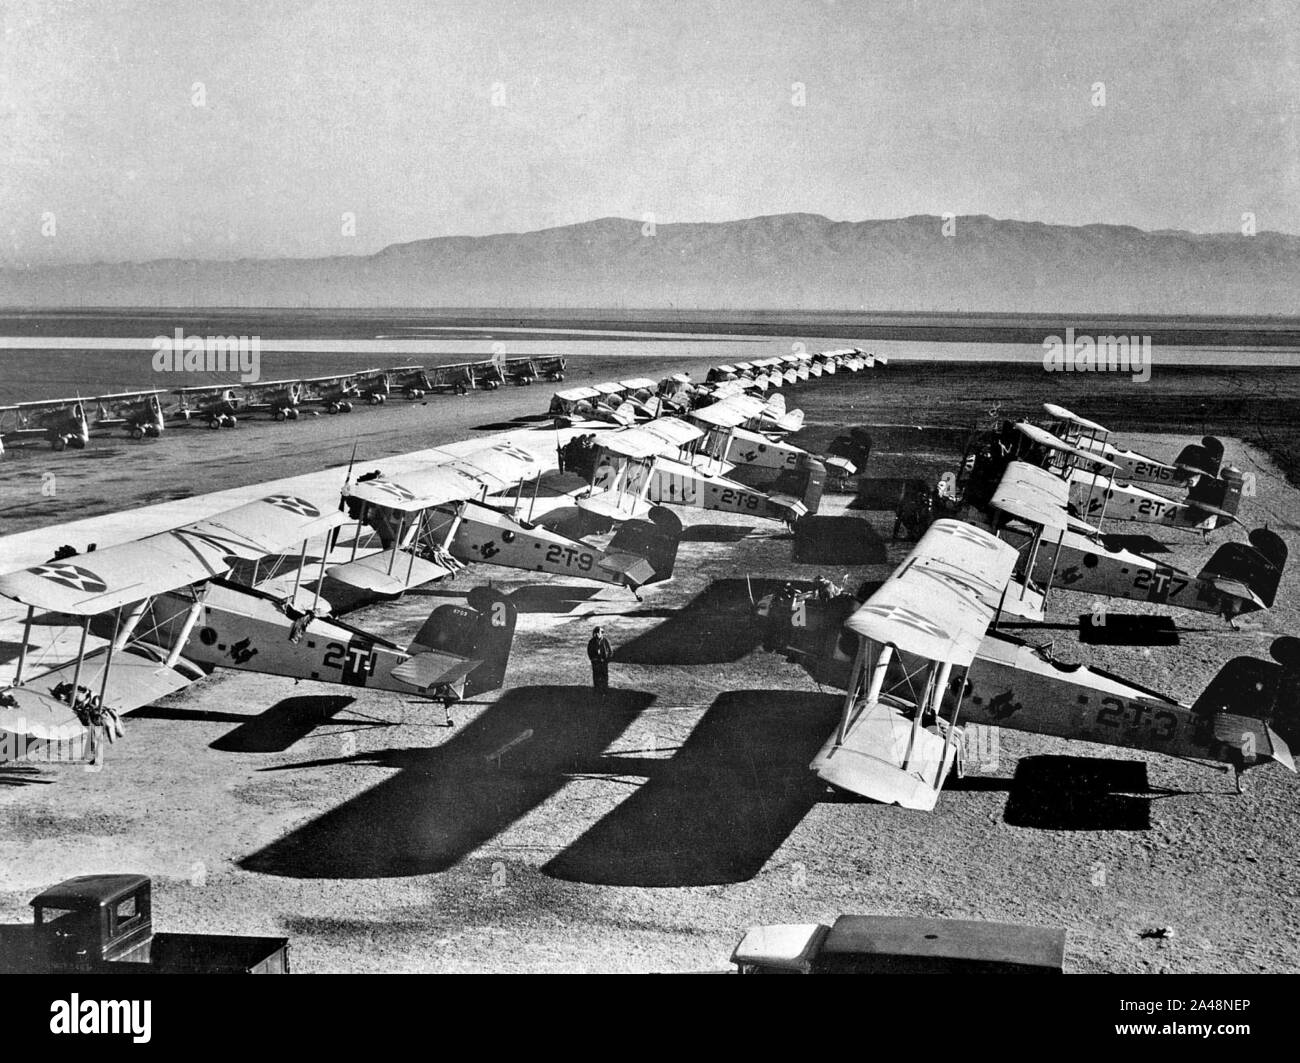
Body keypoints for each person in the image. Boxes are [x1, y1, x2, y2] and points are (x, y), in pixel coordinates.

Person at [587, 626, 613, 698]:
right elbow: (589, 651)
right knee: (596, 677)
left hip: (604, 662)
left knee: (604, 677)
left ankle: (605, 691)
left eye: (599, 633)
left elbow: (610, 651)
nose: (598, 634)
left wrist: (607, 660)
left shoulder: (605, 641)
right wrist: (593, 659)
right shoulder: (591, 642)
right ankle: (596, 691)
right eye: (596, 633)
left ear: (602, 633)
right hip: (596, 663)